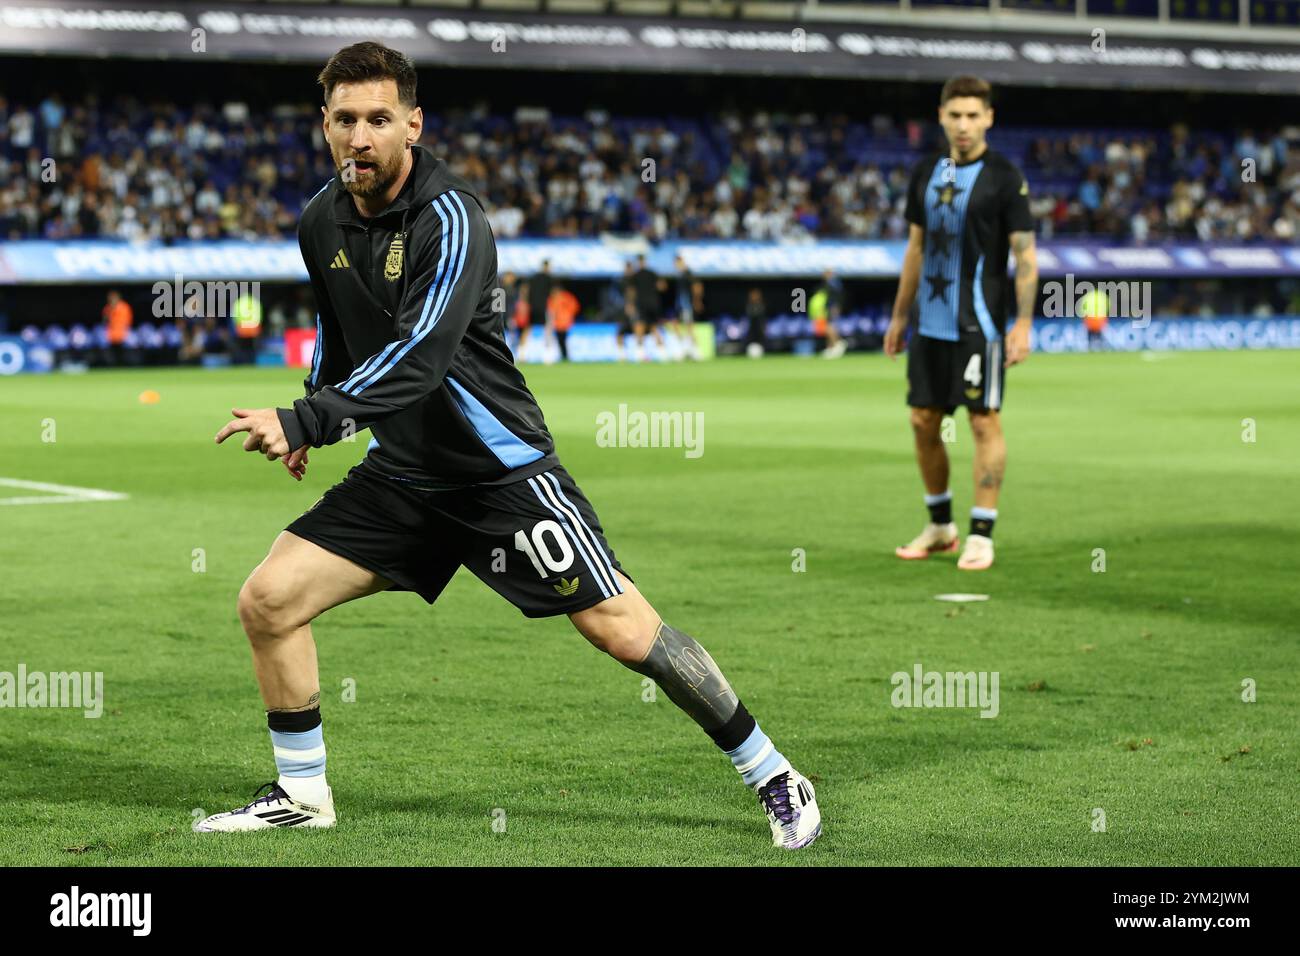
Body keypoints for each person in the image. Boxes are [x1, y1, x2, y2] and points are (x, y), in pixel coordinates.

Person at [201, 42, 820, 849]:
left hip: (502, 474)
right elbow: (342, 332)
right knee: (269, 600)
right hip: (405, 478)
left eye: (379, 119)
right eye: (344, 119)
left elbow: (421, 357)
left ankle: (772, 771)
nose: (361, 136)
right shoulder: (320, 220)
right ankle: (302, 792)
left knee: (625, 632)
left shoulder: (452, 217)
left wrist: (309, 416)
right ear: (323, 125)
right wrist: (315, 414)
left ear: (412, 125)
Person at [883, 75, 1038, 572]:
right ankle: (940, 525)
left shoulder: (1005, 177)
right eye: (956, 115)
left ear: (989, 117)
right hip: (929, 324)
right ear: (941, 116)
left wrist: (1023, 325)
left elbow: (1026, 256)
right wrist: (899, 315)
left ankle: (982, 533)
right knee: (923, 420)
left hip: (982, 325)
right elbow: (916, 247)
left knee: (982, 420)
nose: (964, 125)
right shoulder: (926, 171)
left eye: (974, 115)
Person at [810, 269, 848, 359]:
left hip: (829, 309)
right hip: (823, 309)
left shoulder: (834, 284)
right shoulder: (827, 284)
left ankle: (838, 343)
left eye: (827, 273)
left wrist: (835, 307)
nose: (824, 275)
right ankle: (831, 347)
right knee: (826, 327)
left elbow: (836, 297)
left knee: (829, 327)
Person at [547, 281, 580, 361]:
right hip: (558, 323)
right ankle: (564, 356)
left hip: (565, 323)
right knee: (560, 341)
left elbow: (575, 307)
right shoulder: (553, 299)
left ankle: (565, 356)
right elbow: (550, 310)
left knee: (564, 340)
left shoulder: (566, 297)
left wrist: (569, 315)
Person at [101, 289, 132, 366]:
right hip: (110, 332)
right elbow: (105, 322)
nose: (112, 299)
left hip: (122, 332)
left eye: (114, 297)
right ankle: (110, 364)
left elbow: (128, 322)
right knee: (104, 342)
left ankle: (126, 363)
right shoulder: (107, 308)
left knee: (128, 344)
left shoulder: (124, 307)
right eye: (110, 298)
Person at [744, 287, 767, 359]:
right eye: (752, 295)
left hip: (760, 332)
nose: (754, 297)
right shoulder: (748, 307)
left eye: (756, 295)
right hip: (751, 332)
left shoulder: (762, 307)